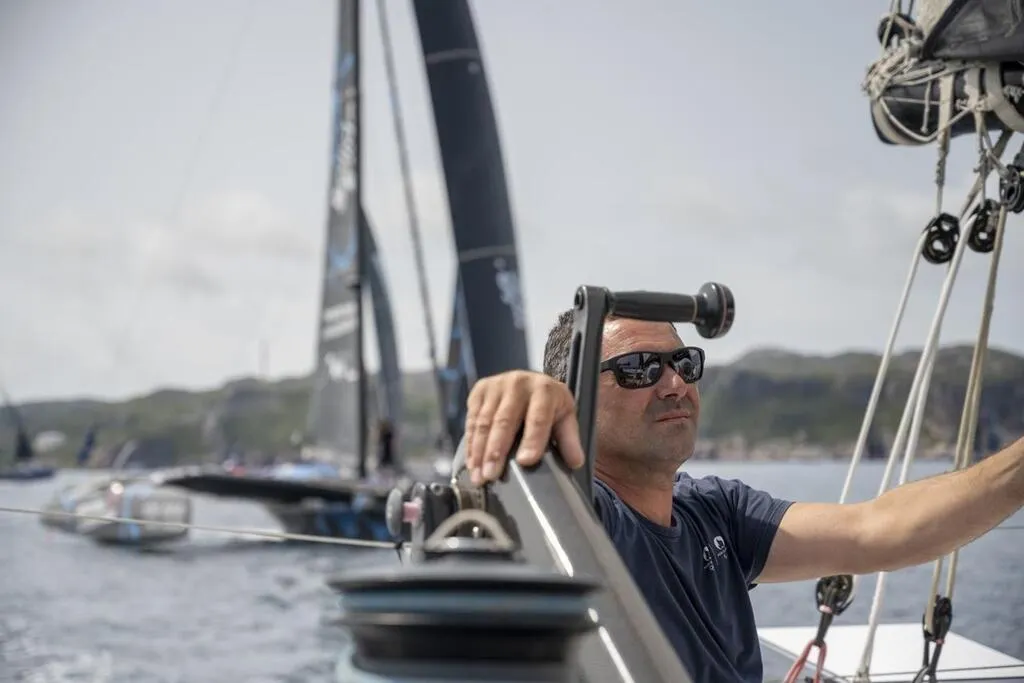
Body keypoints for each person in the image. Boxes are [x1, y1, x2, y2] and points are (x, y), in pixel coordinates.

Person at [462, 309, 1024, 683]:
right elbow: (511, 492)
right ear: (577, 399)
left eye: (684, 362)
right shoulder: (580, 521)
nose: (674, 383)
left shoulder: (715, 511)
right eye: (638, 368)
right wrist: (524, 396)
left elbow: (874, 531)